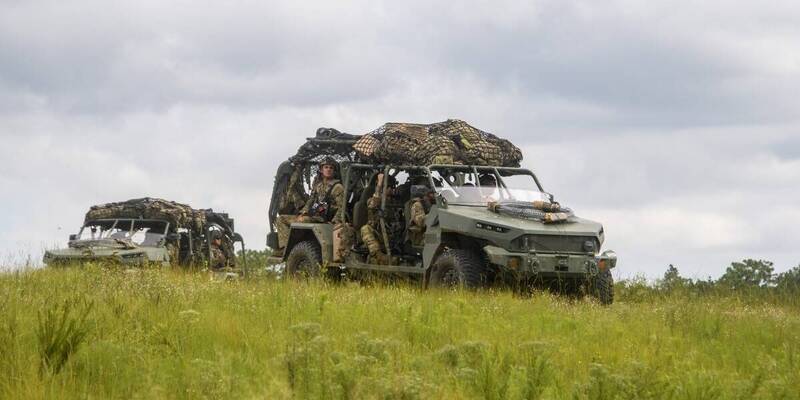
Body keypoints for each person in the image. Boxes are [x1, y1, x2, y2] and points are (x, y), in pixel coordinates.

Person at [297, 157, 344, 224]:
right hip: (315, 214)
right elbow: (311, 200)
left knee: (302, 221)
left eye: (331, 168)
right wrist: (304, 212)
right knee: (282, 219)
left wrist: (335, 222)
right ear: (321, 170)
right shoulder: (318, 185)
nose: (328, 169)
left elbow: (342, 208)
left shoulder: (337, 187)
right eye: (326, 167)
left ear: (334, 171)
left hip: (326, 219)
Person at [360, 172, 392, 264]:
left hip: (391, 234)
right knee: (365, 229)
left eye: (390, 187)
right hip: (377, 232)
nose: (389, 189)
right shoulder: (372, 200)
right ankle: (379, 256)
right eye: (386, 186)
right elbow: (373, 204)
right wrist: (379, 184)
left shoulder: (394, 202)